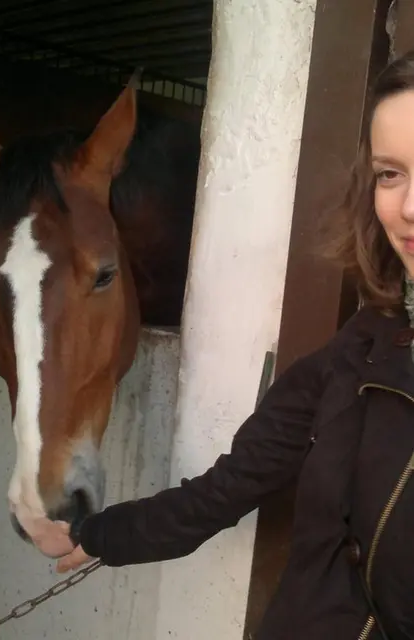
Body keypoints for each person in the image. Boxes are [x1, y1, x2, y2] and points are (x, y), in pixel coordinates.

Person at [51, 50, 414, 639]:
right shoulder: (362, 346)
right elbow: (228, 488)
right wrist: (97, 534)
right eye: (390, 174)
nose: (409, 208)